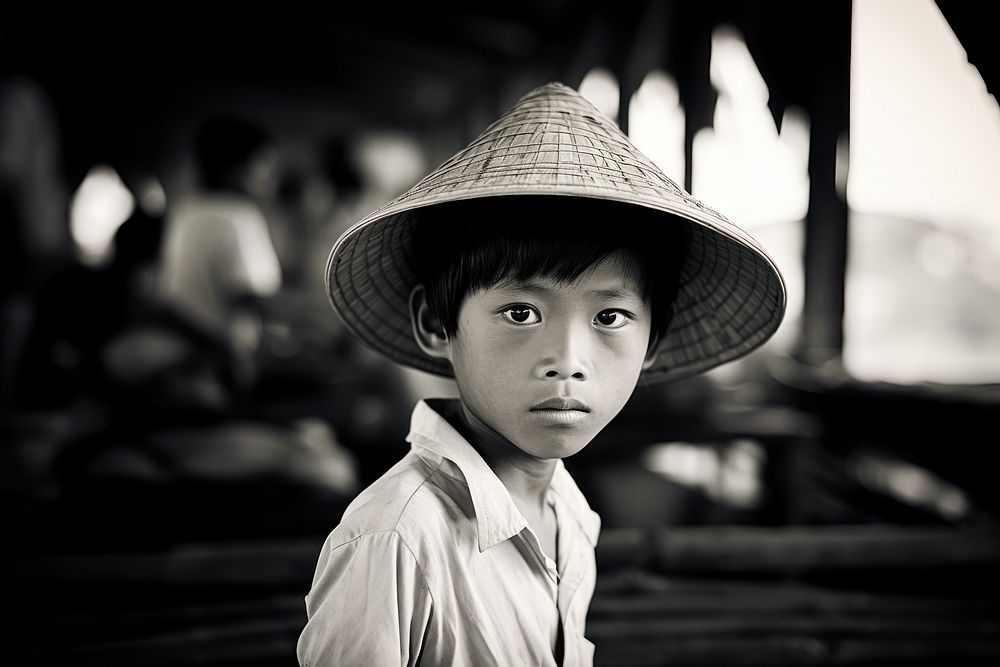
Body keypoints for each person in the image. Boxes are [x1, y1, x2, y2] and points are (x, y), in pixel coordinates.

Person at [297, 82, 786, 666]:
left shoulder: (569, 514)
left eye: (609, 316)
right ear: (435, 322)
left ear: (652, 338)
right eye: (520, 313)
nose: (568, 360)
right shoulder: (398, 539)